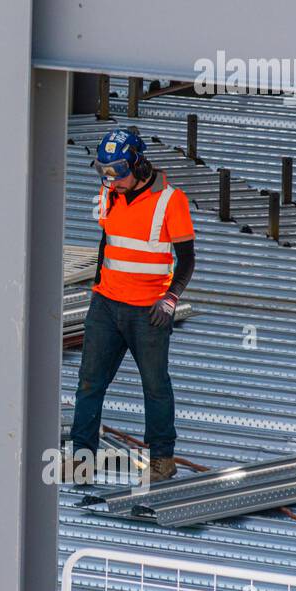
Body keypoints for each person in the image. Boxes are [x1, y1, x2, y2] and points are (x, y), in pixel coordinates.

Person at [65, 127, 195, 484]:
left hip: (148, 311)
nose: (112, 181)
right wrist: (97, 288)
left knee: (155, 385)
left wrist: (170, 299)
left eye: (118, 173)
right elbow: (107, 242)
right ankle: (80, 457)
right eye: (105, 173)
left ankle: (162, 460)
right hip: (106, 305)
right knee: (89, 383)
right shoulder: (110, 193)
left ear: (137, 165)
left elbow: (187, 259)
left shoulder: (171, 201)